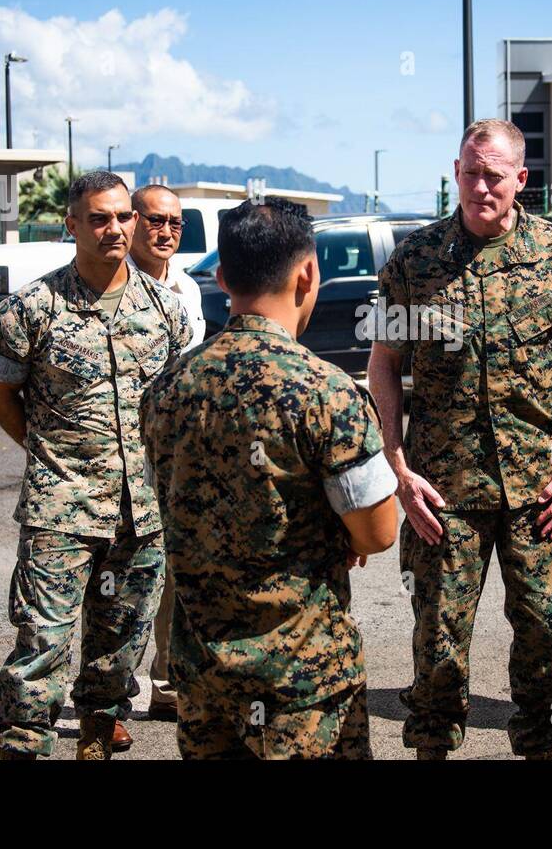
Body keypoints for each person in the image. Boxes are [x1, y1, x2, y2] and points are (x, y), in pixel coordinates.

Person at [367, 118, 552, 760]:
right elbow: (383, 366)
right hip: (441, 490)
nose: (481, 186)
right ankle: (431, 750)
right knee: (437, 642)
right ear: (455, 173)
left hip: (542, 488)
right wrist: (397, 466)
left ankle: (540, 748)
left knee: (545, 635)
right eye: (470, 173)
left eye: (494, 175)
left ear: (521, 180)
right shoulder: (415, 261)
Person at [140, 197, 398, 759]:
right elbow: (377, 532)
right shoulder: (327, 392)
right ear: (309, 274)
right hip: (301, 681)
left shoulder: (167, 388)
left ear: (223, 277)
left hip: (203, 677)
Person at [0, 170, 193, 760]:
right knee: (42, 644)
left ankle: (96, 737)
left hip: (142, 515)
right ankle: (25, 744)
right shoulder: (30, 309)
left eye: (124, 216)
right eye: (99, 218)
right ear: (71, 225)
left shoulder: (167, 313)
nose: (115, 229)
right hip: (61, 509)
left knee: (120, 646)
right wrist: (48, 455)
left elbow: (172, 406)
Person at [127, 183, 206, 722]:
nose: (166, 232)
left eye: (175, 223)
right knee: (121, 575)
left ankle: (167, 683)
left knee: (173, 573)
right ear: (131, 222)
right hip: (117, 453)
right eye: (155, 221)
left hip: (174, 453)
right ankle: (109, 695)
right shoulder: (106, 284)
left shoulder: (187, 289)